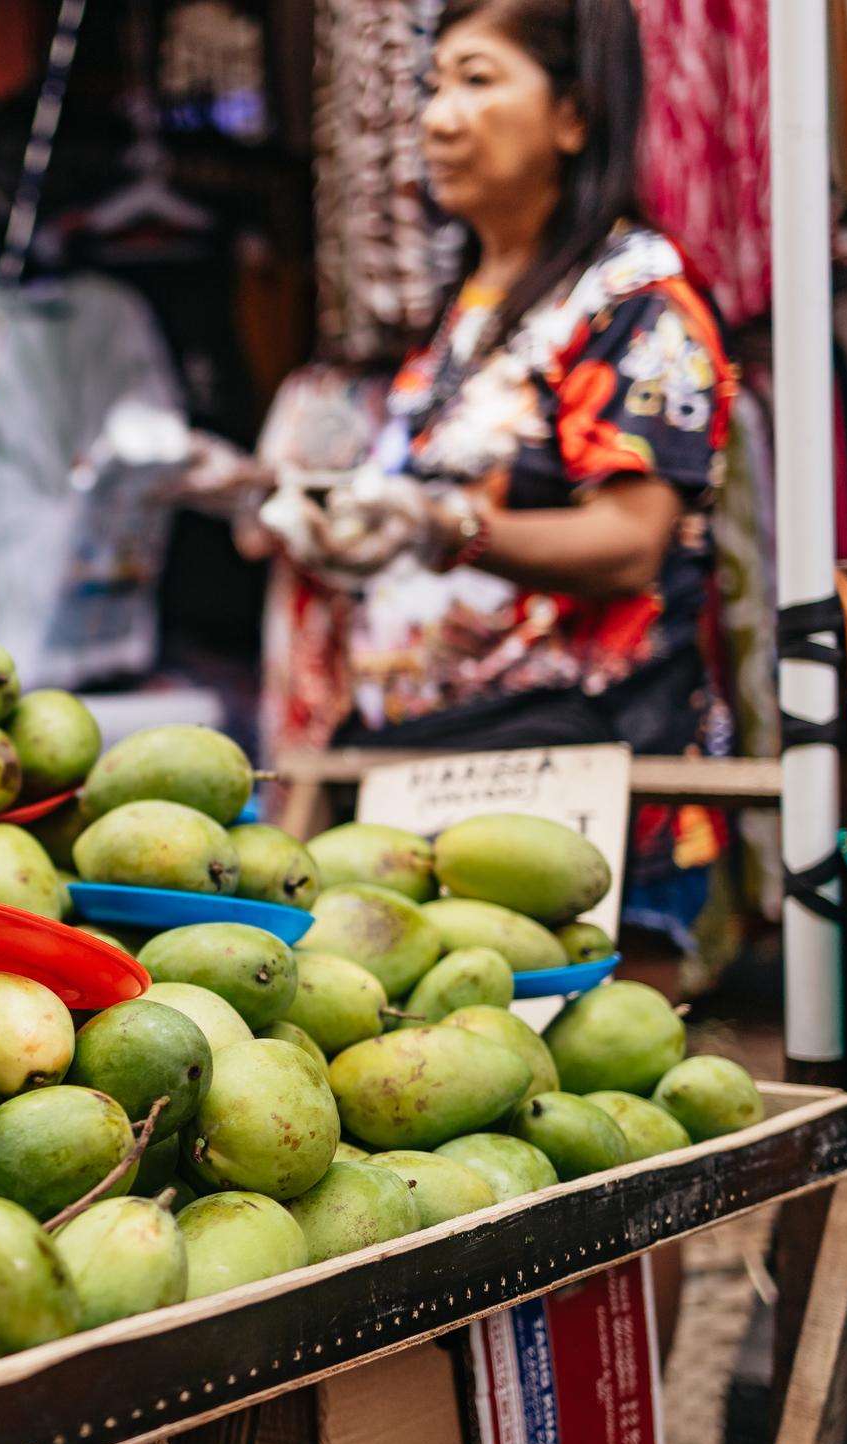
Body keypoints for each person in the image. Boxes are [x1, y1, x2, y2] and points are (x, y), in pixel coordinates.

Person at [232, 0, 739, 953]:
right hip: (430, 777)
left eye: (476, 80)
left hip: (573, 791)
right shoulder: (472, 312)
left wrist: (441, 524)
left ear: (573, 117)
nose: (435, 118)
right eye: (431, 87)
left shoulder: (637, 304)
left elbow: (632, 544)